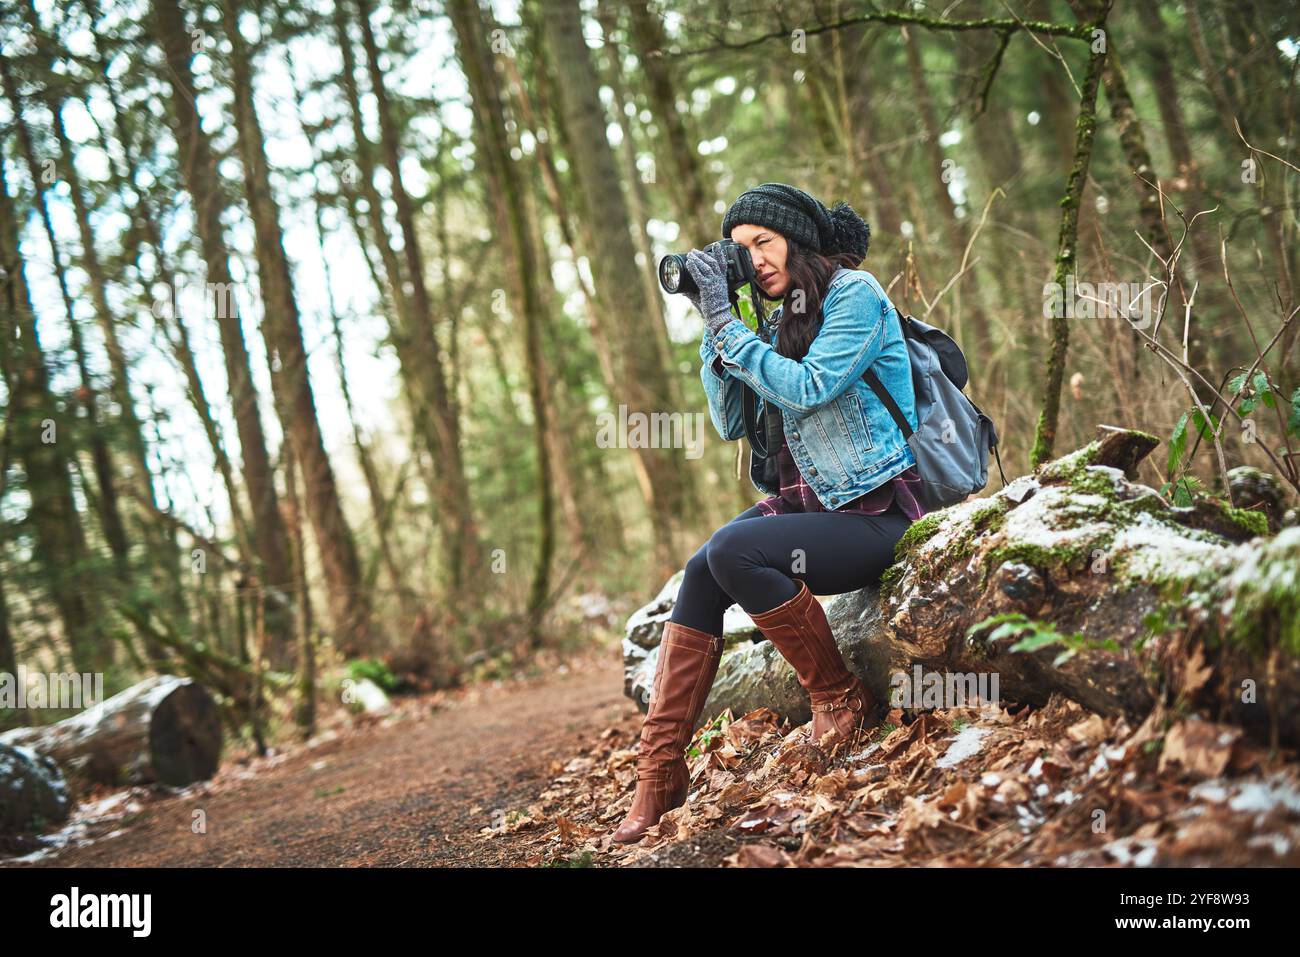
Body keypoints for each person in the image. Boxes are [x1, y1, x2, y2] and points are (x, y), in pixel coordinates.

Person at [612, 183, 926, 844]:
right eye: (739, 250)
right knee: (705, 565)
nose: (752, 260)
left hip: (877, 515)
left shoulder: (855, 297)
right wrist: (712, 323)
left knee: (734, 552)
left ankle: (838, 698)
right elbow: (732, 419)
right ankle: (659, 774)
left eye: (763, 242)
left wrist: (731, 327)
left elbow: (809, 389)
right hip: (815, 509)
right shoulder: (777, 320)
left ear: (798, 239)